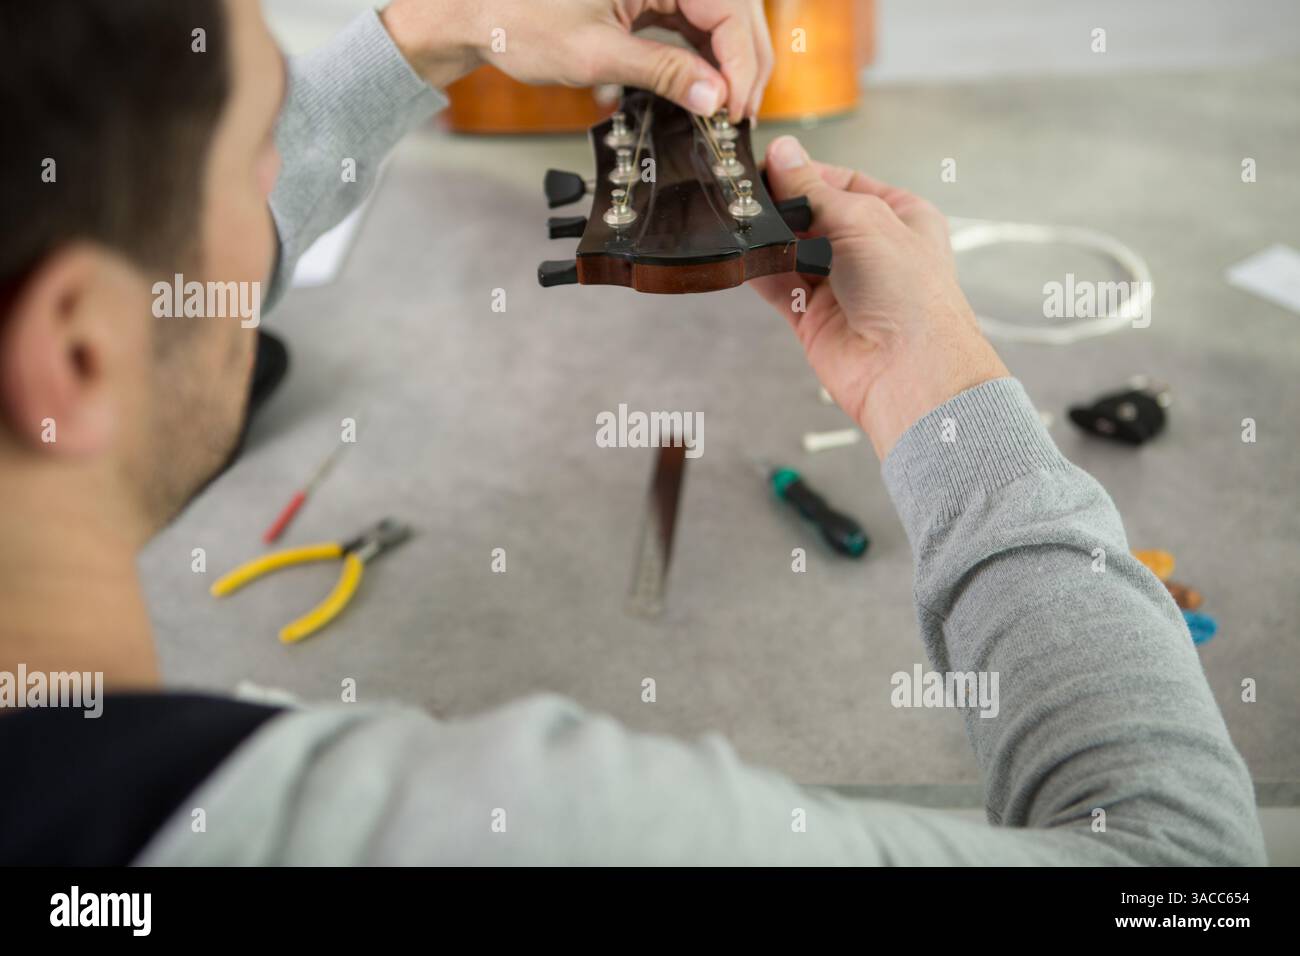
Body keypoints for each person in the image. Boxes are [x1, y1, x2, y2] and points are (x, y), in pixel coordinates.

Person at [0, 0, 1263, 865]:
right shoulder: (457, 830)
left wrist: (442, 31)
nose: (288, 196)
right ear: (74, 348)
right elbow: (1176, 873)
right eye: (264, 148)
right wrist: (940, 387)